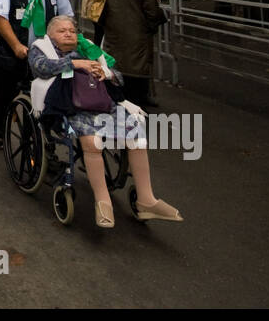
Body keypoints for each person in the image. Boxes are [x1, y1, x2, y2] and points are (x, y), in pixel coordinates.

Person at [28, 15, 182, 228]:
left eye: (72, 31)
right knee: (92, 143)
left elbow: (119, 77)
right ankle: (103, 202)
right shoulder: (41, 48)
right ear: (51, 34)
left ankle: (147, 200)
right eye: (62, 31)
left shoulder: (88, 48)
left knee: (137, 138)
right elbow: (40, 68)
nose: (68, 34)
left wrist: (106, 73)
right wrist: (75, 63)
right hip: (70, 108)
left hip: (103, 105)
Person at [0, 0, 74, 150]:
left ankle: (37, 135)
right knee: (4, 92)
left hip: (44, 54)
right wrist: (16, 45)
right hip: (11, 50)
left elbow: (66, 15)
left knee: (42, 95)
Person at [100, 0, 164, 109]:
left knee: (118, 64)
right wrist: (153, 25)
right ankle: (140, 100)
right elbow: (151, 9)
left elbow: (103, 4)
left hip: (114, 31)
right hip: (138, 33)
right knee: (138, 66)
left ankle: (121, 97)